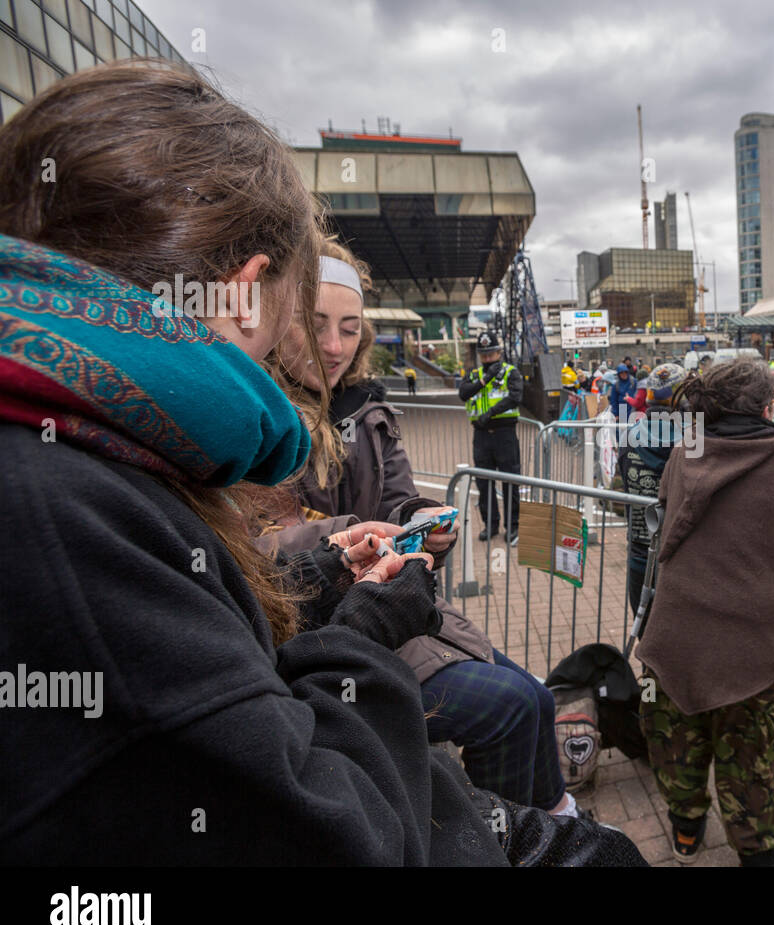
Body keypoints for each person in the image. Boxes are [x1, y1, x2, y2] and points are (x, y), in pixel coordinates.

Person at [0, 61, 510, 865]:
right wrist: (367, 637)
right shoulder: (69, 507)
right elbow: (329, 830)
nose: (317, 348)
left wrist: (326, 583)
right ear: (246, 294)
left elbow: (201, 652)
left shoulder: (78, 445)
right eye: (298, 313)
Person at [268, 246, 585, 817]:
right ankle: (507, 840)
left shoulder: (368, 411)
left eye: (348, 328)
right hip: (319, 639)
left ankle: (550, 824)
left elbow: (398, 496)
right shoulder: (256, 415)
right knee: (510, 706)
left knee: (538, 697)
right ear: (275, 316)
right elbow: (253, 542)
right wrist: (349, 536)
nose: (334, 348)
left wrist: (423, 522)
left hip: (398, 611)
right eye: (314, 327)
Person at [638, 361, 774, 866]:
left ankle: (686, 834)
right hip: (753, 644)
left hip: (675, 635)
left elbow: (666, 503)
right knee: (747, 760)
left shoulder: (685, 451)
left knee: (678, 743)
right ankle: (757, 857)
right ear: (767, 406)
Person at [619, 363, 687, 612]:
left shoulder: (629, 436)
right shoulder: (695, 440)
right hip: (681, 552)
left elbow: (626, 480)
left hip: (640, 546)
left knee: (644, 629)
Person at [459, 330, 523, 546]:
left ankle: (513, 527)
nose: (487, 358)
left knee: (510, 482)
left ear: (499, 352)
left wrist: (490, 413)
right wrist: (486, 379)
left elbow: (515, 397)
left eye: (491, 353)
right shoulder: (475, 374)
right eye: (483, 354)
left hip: (504, 434)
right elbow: (464, 393)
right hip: (481, 435)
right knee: (484, 482)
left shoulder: (510, 372)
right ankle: (491, 525)